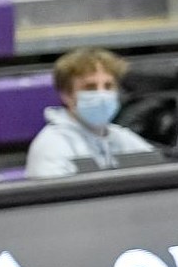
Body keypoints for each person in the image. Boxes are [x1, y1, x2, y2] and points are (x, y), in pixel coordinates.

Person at [24, 46, 158, 178]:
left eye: (108, 86)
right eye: (90, 88)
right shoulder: (52, 145)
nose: (102, 95)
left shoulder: (122, 137)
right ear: (66, 95)